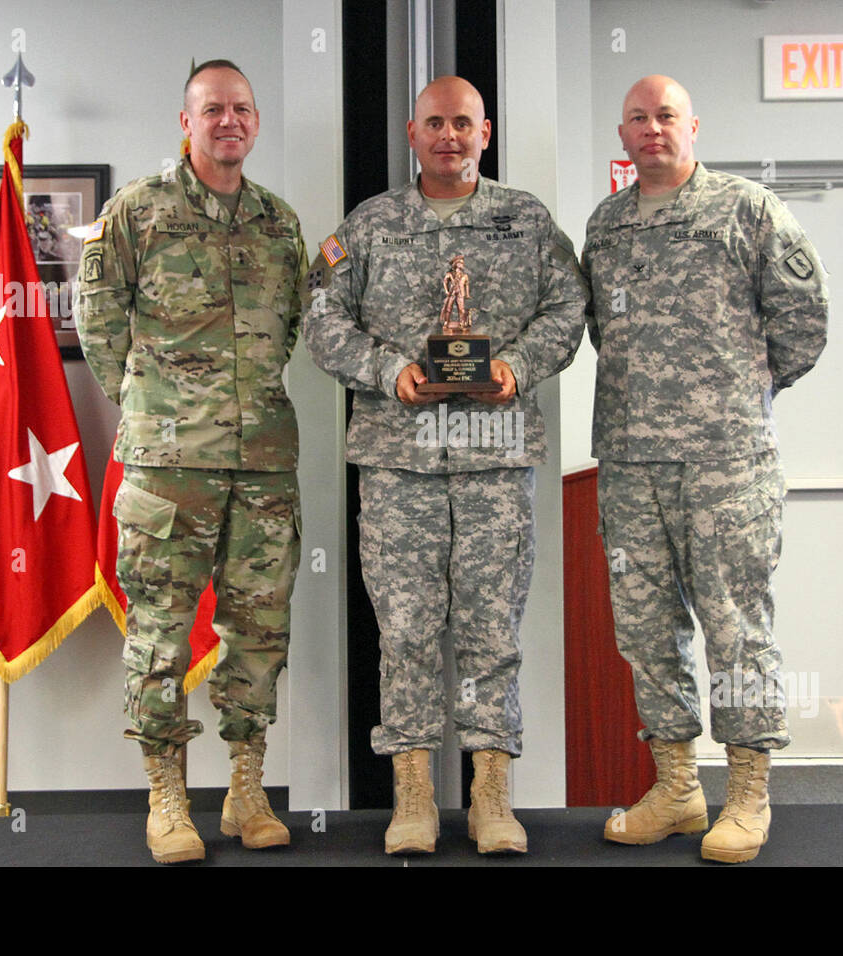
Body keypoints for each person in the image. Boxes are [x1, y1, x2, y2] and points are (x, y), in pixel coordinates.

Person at [306, 75, 585, 855]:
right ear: (411, 132)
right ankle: (415, 796)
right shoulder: (370, 226)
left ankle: (491, 794)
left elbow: (570, 308)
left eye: (463, 124)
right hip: (399, 464)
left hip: (495, 461)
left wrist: (519, 367)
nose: (449, 137)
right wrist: (386, 368)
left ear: (485, 133)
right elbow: (320, 315)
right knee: (406, 630)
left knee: (493, 628)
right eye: (435, 124)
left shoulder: (524, 221)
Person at [582, 75, 828, 863]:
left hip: (726, 462)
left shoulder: (747, 210)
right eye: (638, 118)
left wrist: (738, 394)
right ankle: (679, 787)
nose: (653, 129)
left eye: (667, 116)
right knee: (647, 631)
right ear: (622, 134)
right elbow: (599, 331)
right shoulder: (607, 224)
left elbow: (804, 323)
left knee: (735, 627)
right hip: (629, 461)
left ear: (694, 125)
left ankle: (748, 792)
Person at [74, 60, 307, 864]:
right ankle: (166, 795)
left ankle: (247, 786)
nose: (230, 121)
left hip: (265, 463)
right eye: (214, 110)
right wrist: (156, 412)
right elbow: (102, 331)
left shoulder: (281, 223)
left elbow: (292, 329)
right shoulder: (135, 214)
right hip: (168, 468)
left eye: (242, 109)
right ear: (187, 121)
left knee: (260, 630)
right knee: (162, 631)